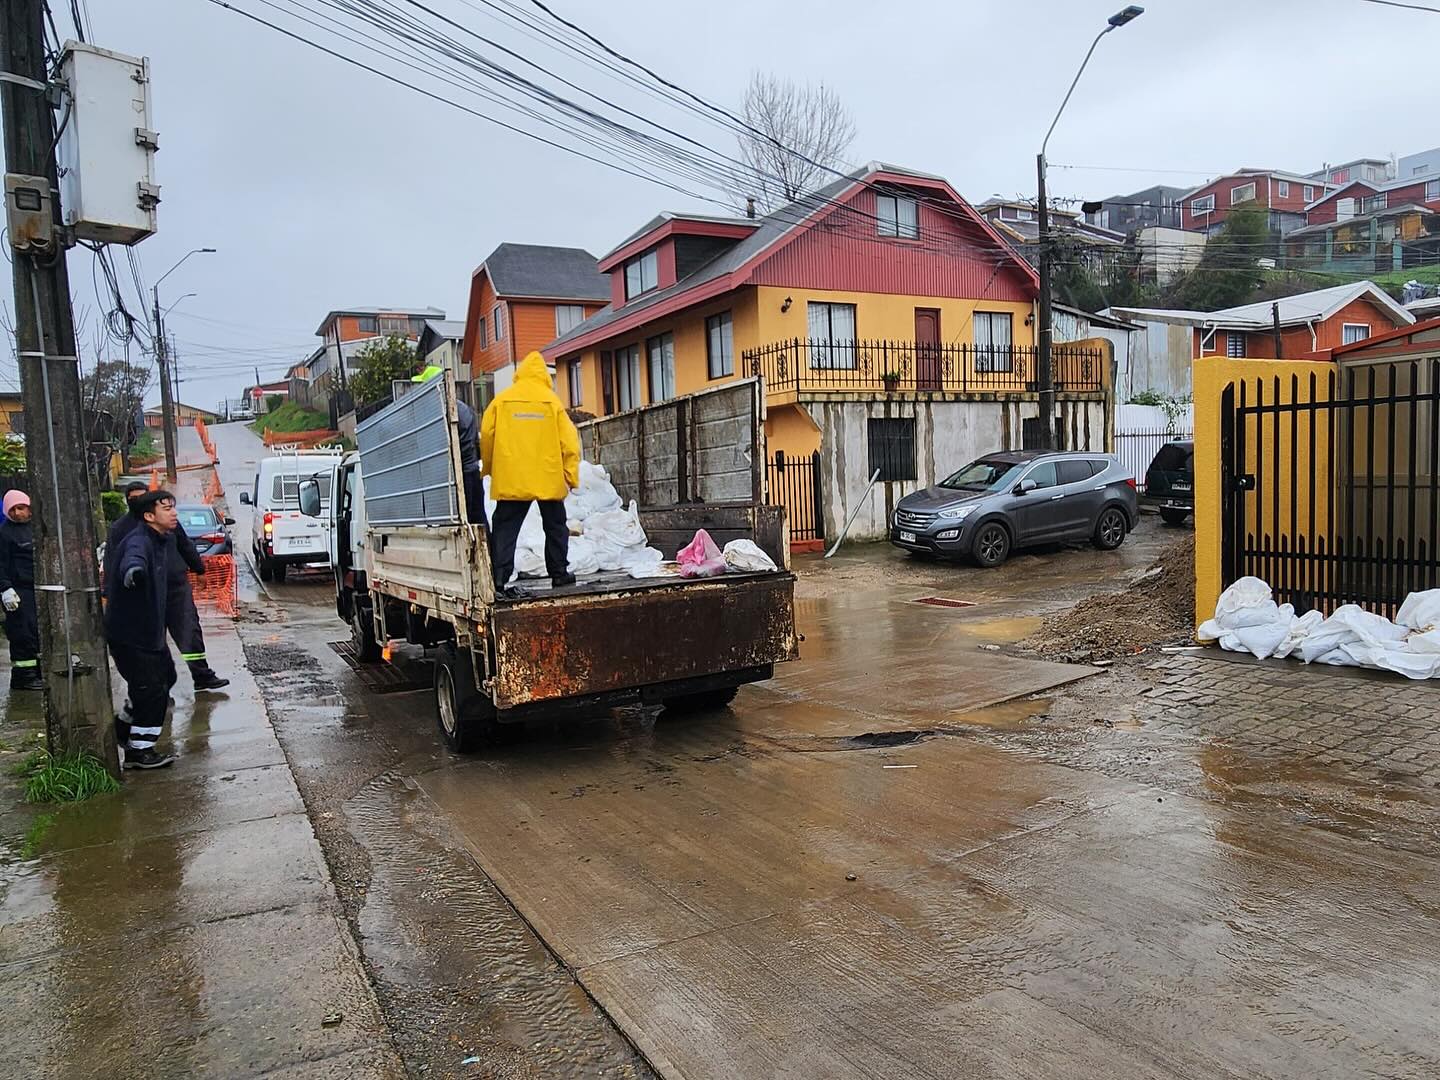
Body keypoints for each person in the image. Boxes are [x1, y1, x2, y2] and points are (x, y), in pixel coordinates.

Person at [107, 480, 229, 692]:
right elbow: (122, 558)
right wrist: (116, 585)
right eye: (134, 499)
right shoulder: (125, 530)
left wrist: (199, 569)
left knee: (189, 630)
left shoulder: (168, 527)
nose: (173, 513)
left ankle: (202, 675)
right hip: (146, 594)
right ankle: (157, 686)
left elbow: (185, 545)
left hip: (175, 587)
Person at [480, 351, 580, 595]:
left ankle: (499, 578)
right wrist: (571, 476)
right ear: (543, 376)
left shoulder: (501, 401)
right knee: (555, 526)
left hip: (513, 477)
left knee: (505, 527)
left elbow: (487, 437)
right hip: (547, 475)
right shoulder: (552, 401)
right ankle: (559, 574)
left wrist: (490, 468)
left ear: (520, 374)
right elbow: (570, 443)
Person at [105, 489, 180, 769]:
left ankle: (124, 727)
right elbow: (132, 559)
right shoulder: (139, 540)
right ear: (149, 516)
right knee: (152, 692)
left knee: (166, 678)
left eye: (173, 507)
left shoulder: (160, 538)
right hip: (131, 634)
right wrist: (132, 572)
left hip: (150, 634)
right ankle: (139, 752)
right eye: (166, 508)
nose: (173, 513)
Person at [411, 365, 485, 527]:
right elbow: (476, 445)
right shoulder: (463, 408)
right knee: (478, 521)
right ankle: (487, 552)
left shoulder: (442, 412)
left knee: (464, 524)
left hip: (459, 476)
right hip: (472, 472)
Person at [0, 490, 41, 691]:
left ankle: (38, 672)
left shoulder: (37, 528)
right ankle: (23, 677)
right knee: (22, 633)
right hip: (18, 590)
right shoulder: (5, 534)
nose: (17, 513)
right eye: (13, 510)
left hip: (38, 588)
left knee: (38, 632)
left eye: (21, 508)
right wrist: (5, 588)